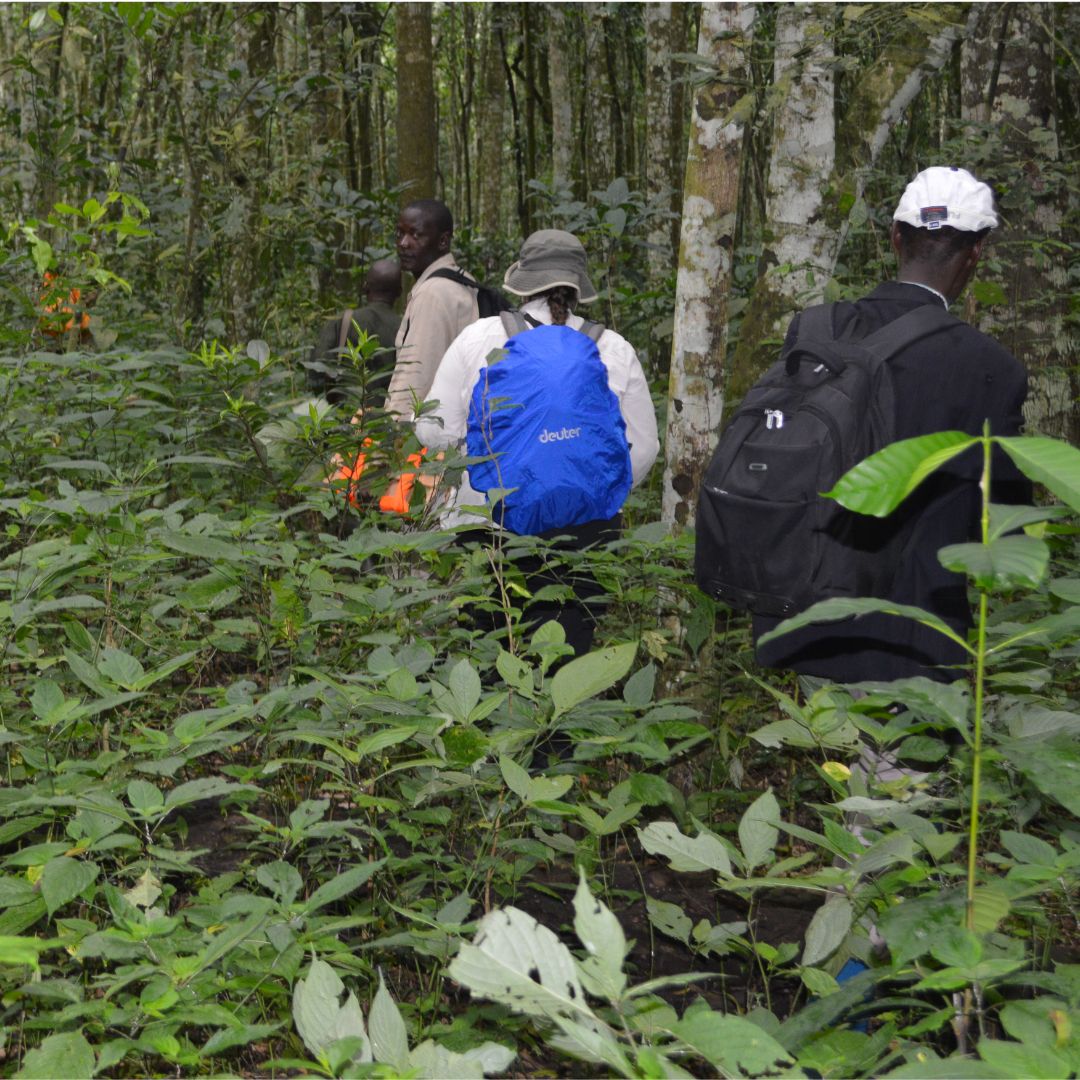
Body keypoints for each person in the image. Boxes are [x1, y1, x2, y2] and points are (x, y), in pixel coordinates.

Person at [754, 165, 1030, 685]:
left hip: (810, 621)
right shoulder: (991, 369)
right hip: (913, 641)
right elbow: (1004, 525)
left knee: (831, 760)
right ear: (975, 254)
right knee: (897, 769)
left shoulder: (816, 329)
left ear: (895, 238)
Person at [416, 229, 660, 655]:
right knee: (568, 655)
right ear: (578, 286)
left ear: (524, 278)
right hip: (588, 531)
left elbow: (432, 428)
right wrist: (586, 487)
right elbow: (644, 448)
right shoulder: (614, 348)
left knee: (491, 646)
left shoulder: (479, 338)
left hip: (490, 523)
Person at [385, 199, 480, 419]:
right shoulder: (463, 280)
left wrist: (389, 440)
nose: (403, 243)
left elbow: (413, 381)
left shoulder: (433, 294)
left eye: (415, 235)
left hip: (440, 439)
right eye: (399, 234)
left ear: (443, 241)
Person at [307, 259, 402, 406]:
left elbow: (316, 372)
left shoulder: (342, 321)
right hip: (388, 419)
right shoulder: (406, 327)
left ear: (365, 286)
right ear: (400, 292)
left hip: (347, 418)